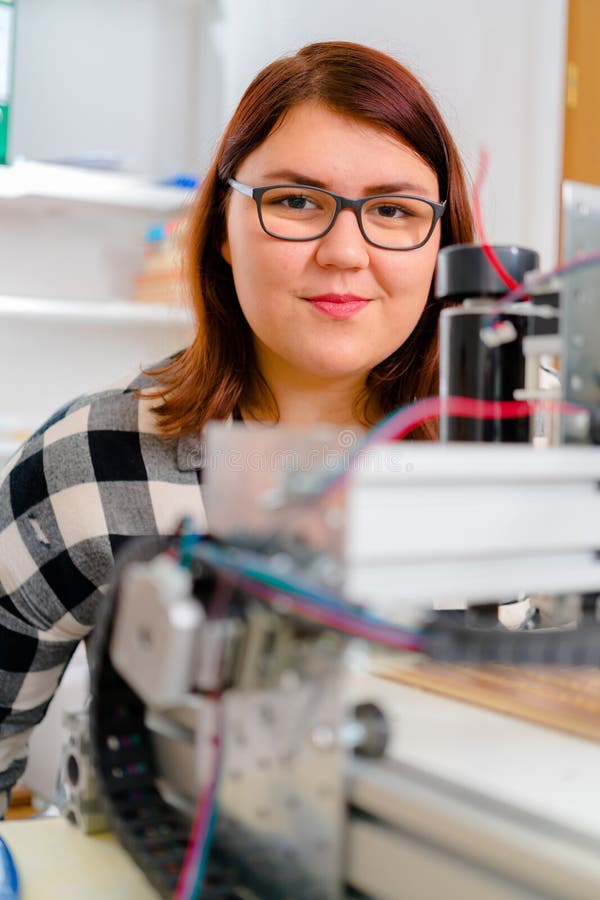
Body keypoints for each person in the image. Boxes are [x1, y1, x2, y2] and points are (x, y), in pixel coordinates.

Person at [0, 40, 474, 814]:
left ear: (441, 246)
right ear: (223, 227)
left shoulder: (527, 466)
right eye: (295, 201)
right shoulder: (93, 461)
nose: (345, 252)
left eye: (392, 210)